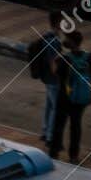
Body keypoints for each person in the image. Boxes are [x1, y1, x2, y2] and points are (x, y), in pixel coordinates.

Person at [48, 30, 91, 163]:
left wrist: (53, 62)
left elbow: (56, 74)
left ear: (72, 42)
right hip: (80, 97)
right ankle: (74, 155)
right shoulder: (87, 57)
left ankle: (54, 152)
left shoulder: (65, 59)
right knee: (76, 126)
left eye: (67, 39)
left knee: (59, 124)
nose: (65, 41)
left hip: (65, 96)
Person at [33, 11, 68, 147]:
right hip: (53, 79)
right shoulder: (54, 41)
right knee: (55, 108)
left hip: (46, 77)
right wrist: (60, 76)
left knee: (49, 105)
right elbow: (53, 63)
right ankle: (50, 136)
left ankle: (45, 131)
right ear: (58, 22)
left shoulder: (47, 36)